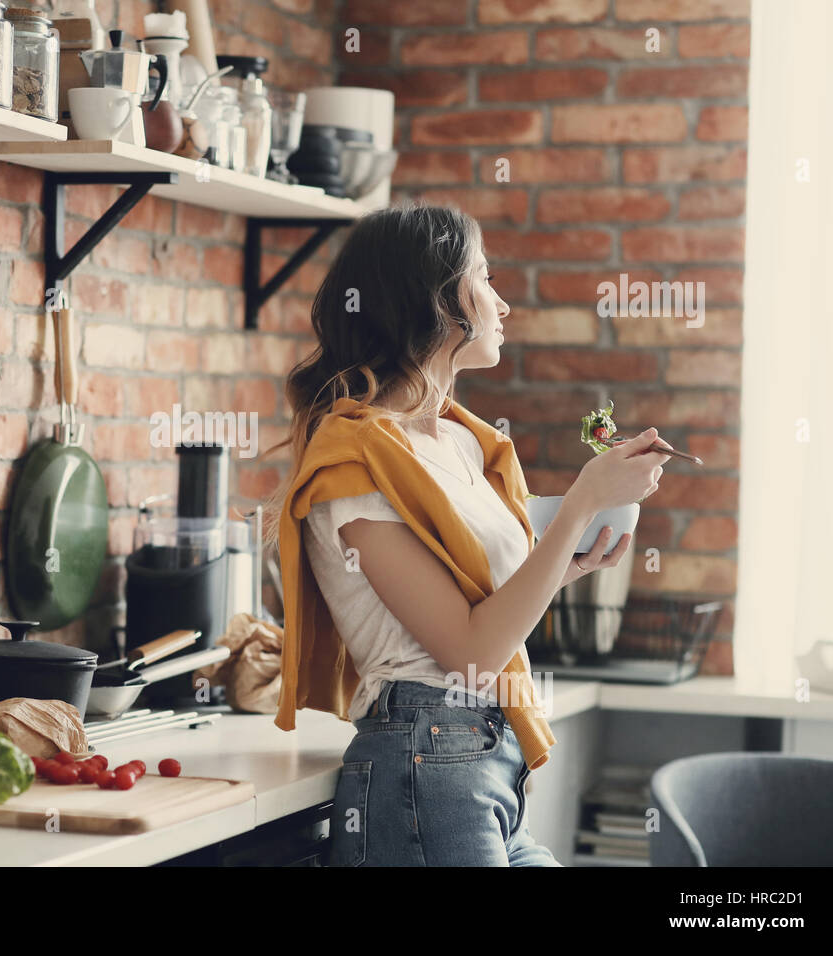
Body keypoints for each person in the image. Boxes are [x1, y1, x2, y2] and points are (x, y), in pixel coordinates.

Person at [262, 203, 670, 866]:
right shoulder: (355, 462)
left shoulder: (458, 440)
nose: (502, 303)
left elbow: (478, 605)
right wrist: (578, 507)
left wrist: (568, 558)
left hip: (485, 764)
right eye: (484, 278)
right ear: (436, 303)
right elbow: (471, 650)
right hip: (427, 761)